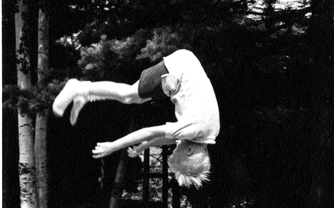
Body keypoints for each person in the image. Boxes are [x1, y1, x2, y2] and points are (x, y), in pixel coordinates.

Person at [52, 49, 219, 188]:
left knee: (135, 98)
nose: (174, 147)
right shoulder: (195, 128)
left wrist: (142, 147)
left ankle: (87, 95)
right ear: (189, 151)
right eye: (176, 150)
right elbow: (149, 131)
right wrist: (114, 146)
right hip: (178, 68)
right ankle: (80, 88)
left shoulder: (207, 134)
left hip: (183, 71)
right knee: (128, 96)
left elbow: (165, 139)